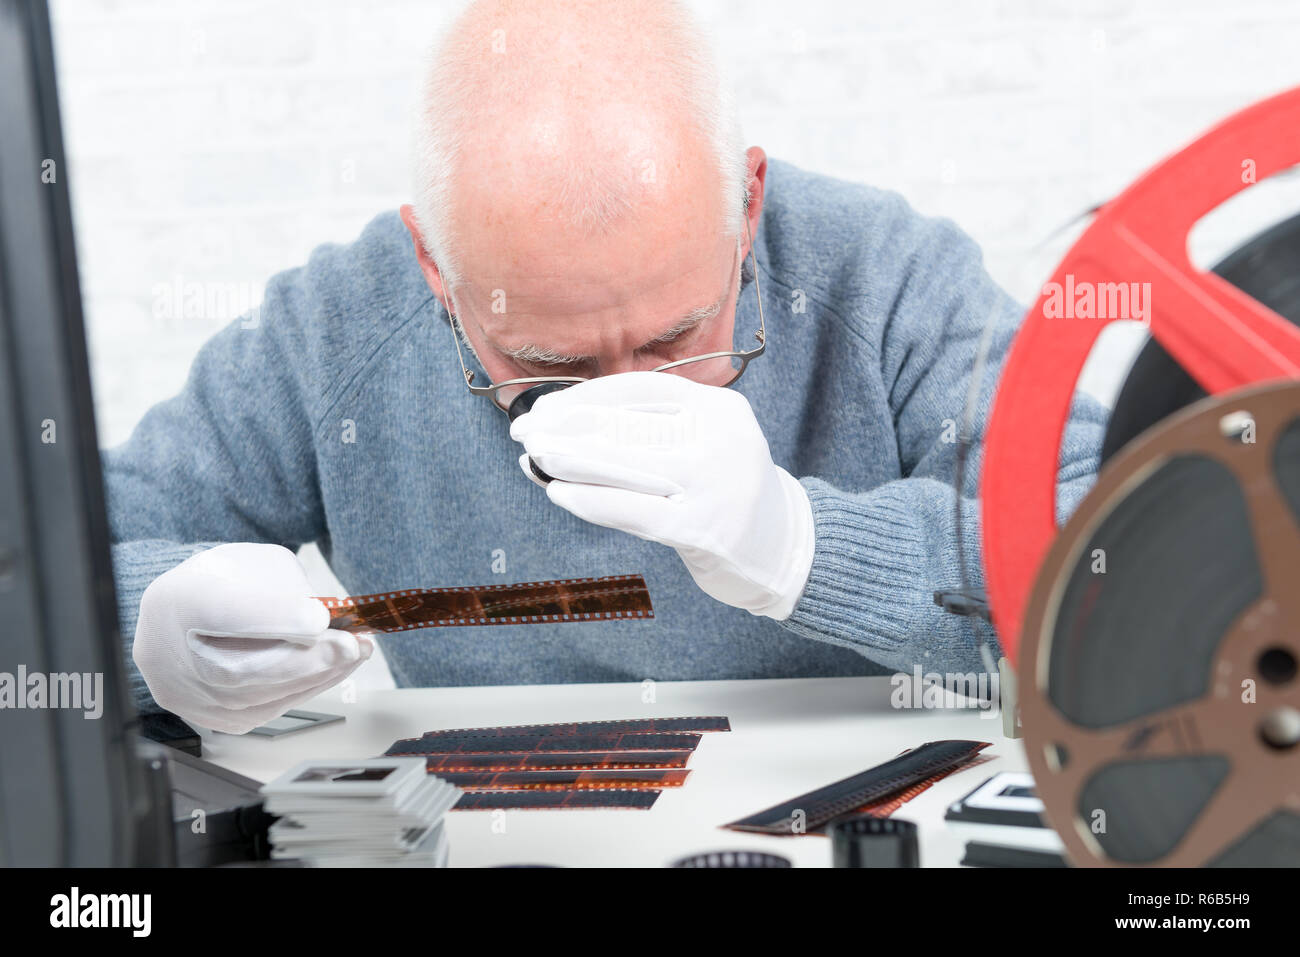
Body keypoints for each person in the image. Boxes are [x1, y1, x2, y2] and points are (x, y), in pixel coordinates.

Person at [113, 0, 1106, 734]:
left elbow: (1127, 547)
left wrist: (802, 546)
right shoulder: (337, 329)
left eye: (679, 339)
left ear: (748, 204)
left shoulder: (883, 276)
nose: (627, 399)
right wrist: (148, 618)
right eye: (548, 359)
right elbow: (45, 573)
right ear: (432, 268)